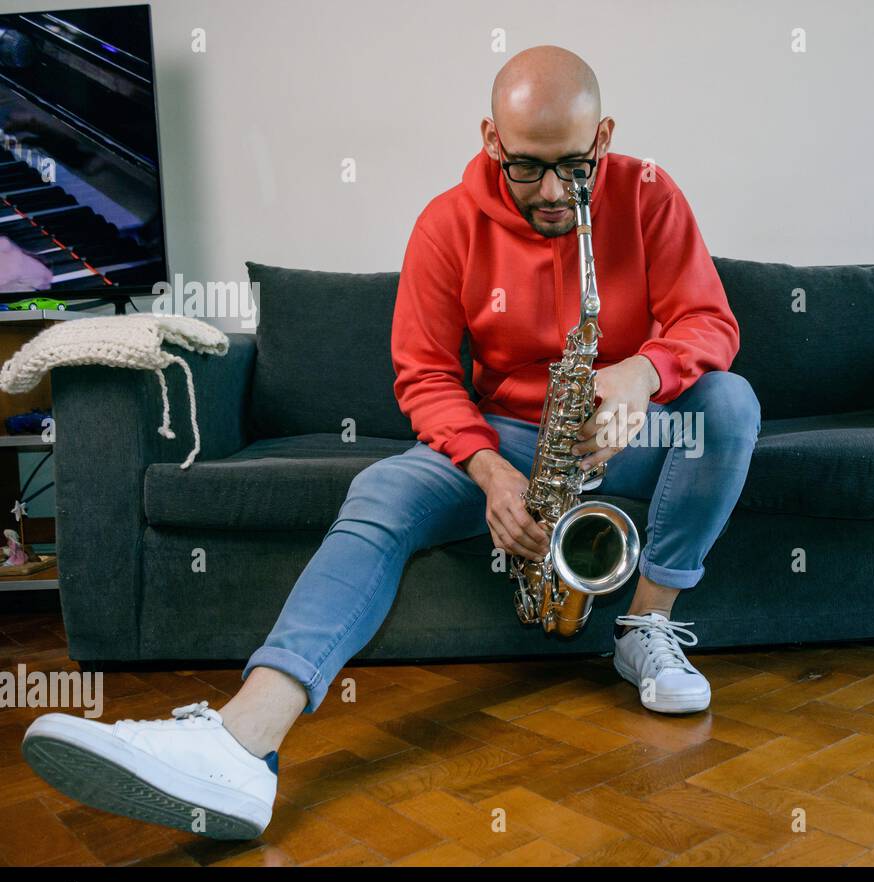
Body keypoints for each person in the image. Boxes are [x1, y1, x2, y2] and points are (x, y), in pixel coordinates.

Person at [21, 45, 760, 841]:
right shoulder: (446, 223)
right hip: (504, 440)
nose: (551, 193)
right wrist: (487, 472)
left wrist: (642, 379)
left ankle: (646, 627)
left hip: (628, 431)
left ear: (605, 136)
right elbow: (426, 377)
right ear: (489, 138)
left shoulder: (649, 196)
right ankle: (241, 743)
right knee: (381, 489)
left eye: (574, 167)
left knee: (731, 402)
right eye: (526, 168)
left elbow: (709, 323)